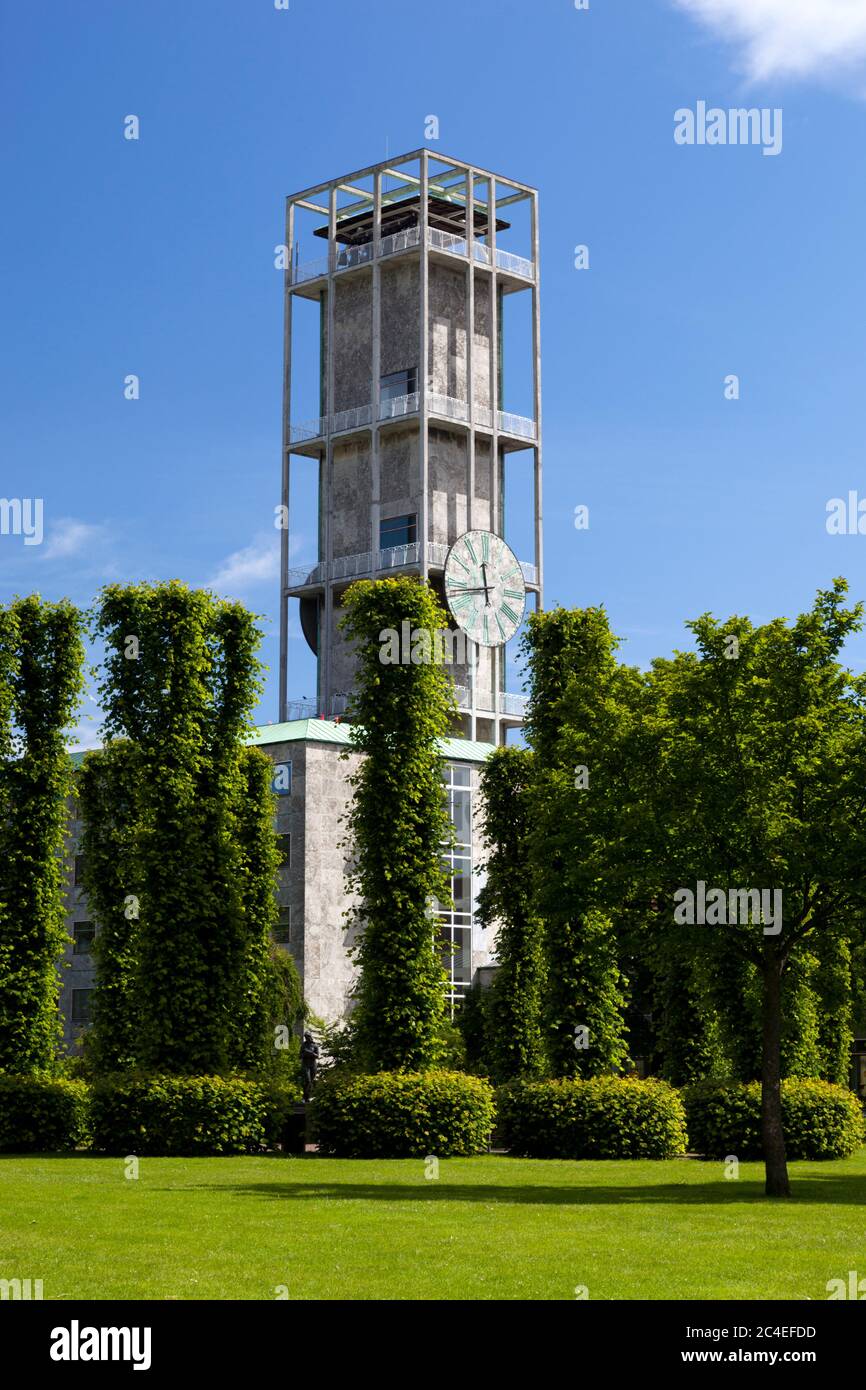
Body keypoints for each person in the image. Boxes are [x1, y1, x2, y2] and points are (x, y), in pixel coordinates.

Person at [300, 1031, 320, 1102]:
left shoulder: (315, 1045)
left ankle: (306, 1097)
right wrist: (304, 1054)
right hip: (305, 1065)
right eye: (305, 1037)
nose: (306, 1038)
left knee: (311, 1081)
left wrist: (311, 1053)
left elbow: (317, 1056)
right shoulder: (303, 1045)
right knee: (307, 1080)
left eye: (308, 1036)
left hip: (313, 1065)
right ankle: (306, 1097)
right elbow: (300, 1056)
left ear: (310, 1037)